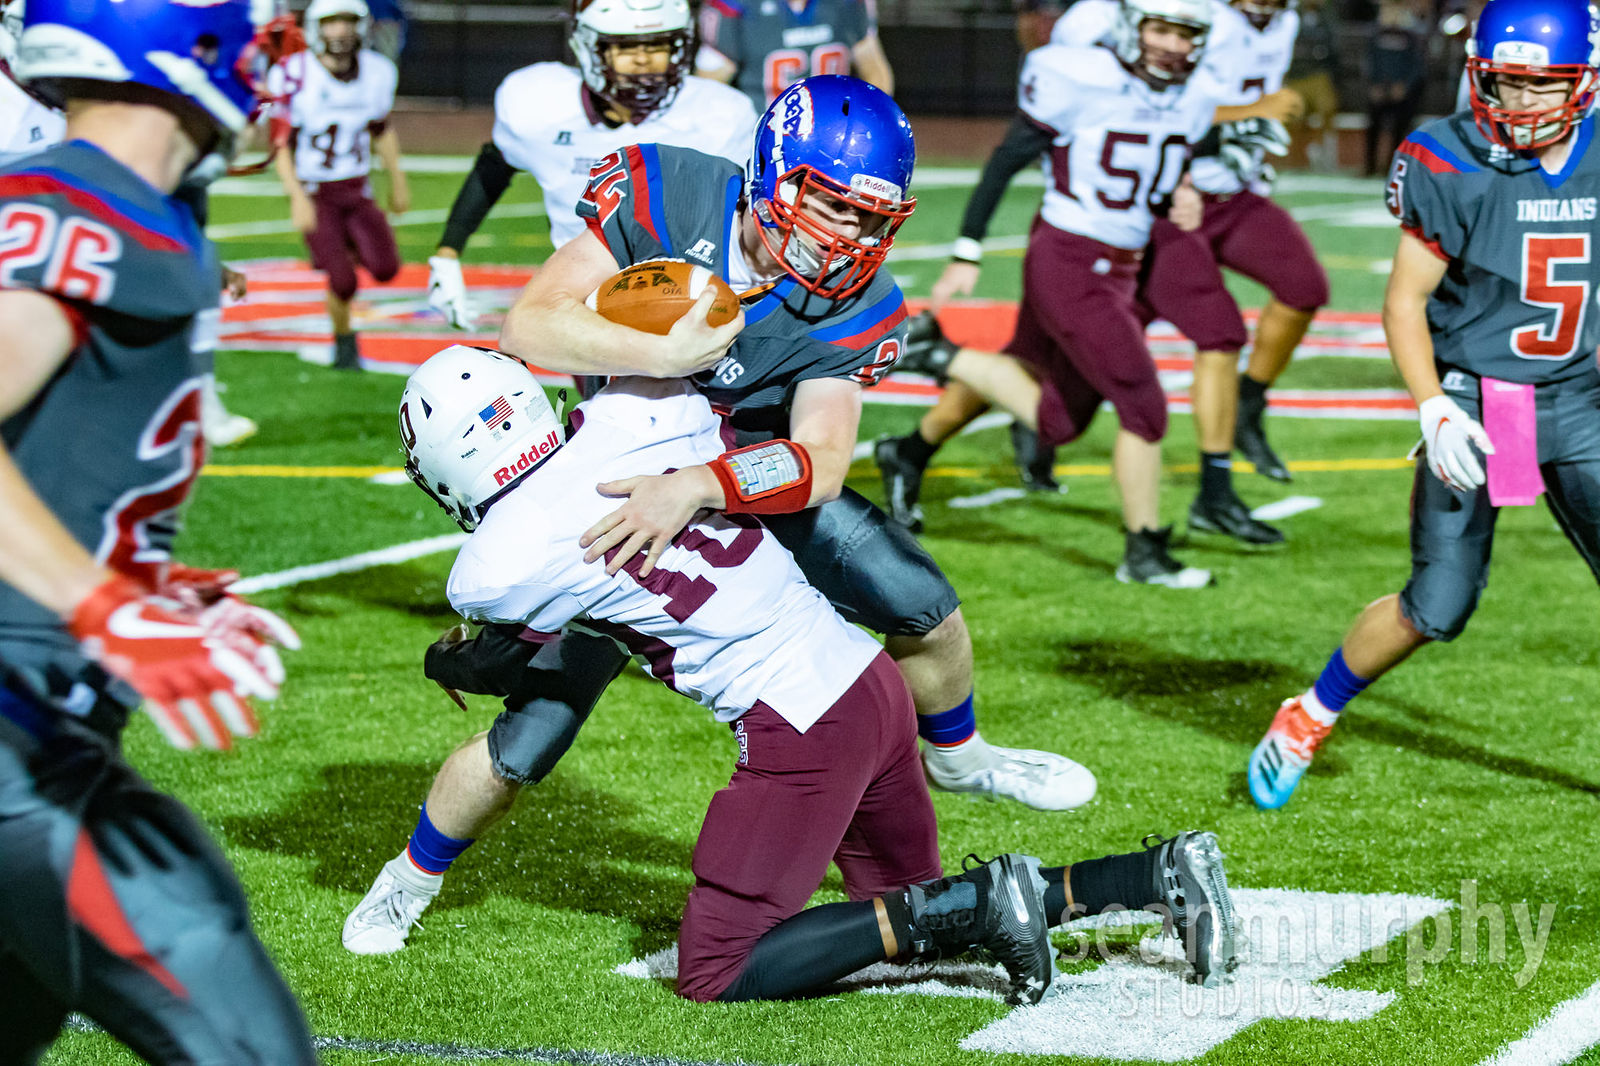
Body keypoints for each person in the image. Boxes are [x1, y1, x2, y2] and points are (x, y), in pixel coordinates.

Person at [344, 76, 1094, 958]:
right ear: (773, 175)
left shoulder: (857, 302)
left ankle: (958, 758)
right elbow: (532, 325)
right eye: (834, 207)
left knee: (923, 604)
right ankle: (408, 880)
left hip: (742, 476)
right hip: (617, 479)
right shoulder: (668, 191)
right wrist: (657, 351)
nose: (852, 238)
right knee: (529, 735)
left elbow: (819, 462)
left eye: (871, 219)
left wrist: (704, 482)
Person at [378, 342, 1242, 1004]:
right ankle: (1154, 876)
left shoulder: (496, 562)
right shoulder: (637, 410)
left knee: (716, 967)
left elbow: (501, 661)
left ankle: (991, 901)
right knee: (913, 910)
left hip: (801, 724)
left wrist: (440, 657)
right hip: (869, 682)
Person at [0, 0, 311, 1059]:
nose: (265, 47)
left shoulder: (133, 210)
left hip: (44, 713)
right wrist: (102, 603)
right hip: (17, 741)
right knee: (231, 1011)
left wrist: (138, 578)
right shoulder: (73, 211)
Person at [1248, 0, 1600, 809]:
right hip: (1484, 400)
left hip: (1577, 396)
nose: (1521, 101)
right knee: (1438, 605)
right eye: (1506, 83)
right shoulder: (1447, 156)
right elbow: (1404, 301)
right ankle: (1310, 712)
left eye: (1543, 84)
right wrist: (1434, 405)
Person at [876, 0, 1306, 547]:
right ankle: (1165, 525)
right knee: (1079, 374)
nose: (1173, 44)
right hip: (1082, 233)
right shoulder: (1086, 41)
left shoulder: (1200, 52)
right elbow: (1048, 139)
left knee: (1068, 372)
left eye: (1183, 34)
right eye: (1161, 30)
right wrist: (968, 246)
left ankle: (916, 442)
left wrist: (1192, 174)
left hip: (1143, 232)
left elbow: (1169, 130)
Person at [426, 0, 756, 333]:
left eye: (658, 44)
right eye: (625, 47)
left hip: (691, 293)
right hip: (581, 295)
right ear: (589, 47)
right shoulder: (541, 104)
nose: (643, 59)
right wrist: (447, 254)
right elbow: (494, 167)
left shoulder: (719, 114)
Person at [270, 0, 407, 370]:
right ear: (316, 28)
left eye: (348, 21)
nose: (341, 31)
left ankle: (343, 247)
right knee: (343, 281)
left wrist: (397, 179)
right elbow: (281, 144)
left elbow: (381, 128)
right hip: (317, 192)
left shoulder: (377, 72)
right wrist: (296, 196)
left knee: (386, 268)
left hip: (357, 189)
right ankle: (345, 345)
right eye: (332, 22)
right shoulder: (295, 74)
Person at [695, 0, 893, 109]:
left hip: (832, 131)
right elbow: (709, 86)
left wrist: (869, 115)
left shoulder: (849, 4)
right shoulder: (734, 5)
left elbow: (873, 68)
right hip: (763, 135)